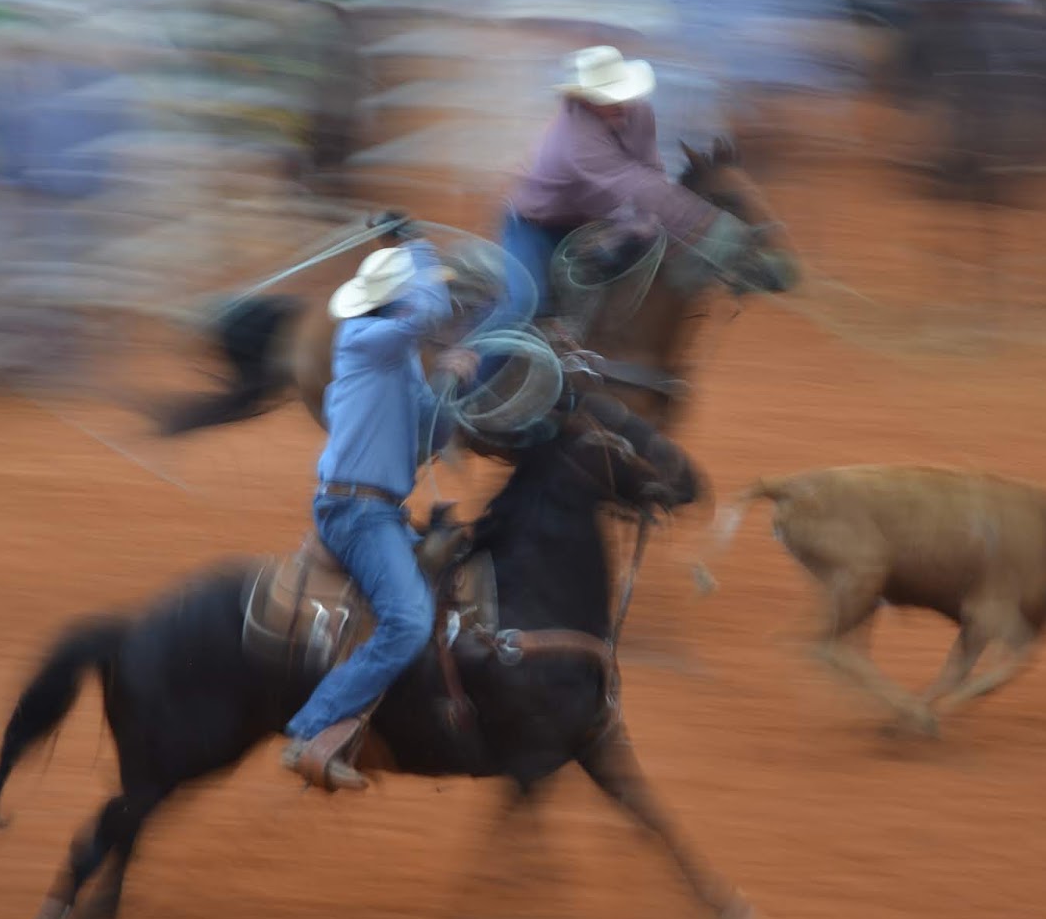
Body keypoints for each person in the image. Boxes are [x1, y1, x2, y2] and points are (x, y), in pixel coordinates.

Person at [282, 217, 477, 791]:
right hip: (355, 514)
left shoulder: (401, 361)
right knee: (410, 620)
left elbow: (429, 439)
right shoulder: (365, 340)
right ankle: (309, 730)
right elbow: (426, 312)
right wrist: (418, 250)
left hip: (379, 513)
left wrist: (450, 385)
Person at [486, 45, 760, 340]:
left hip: (587, 221)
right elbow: (633, 183)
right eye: (608, 97)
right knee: (527, 303)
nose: (619, 103)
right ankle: (466, 368)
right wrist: (705, 222)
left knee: (624, 289)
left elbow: (650, 169)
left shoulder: (639, 111)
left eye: (620, 94)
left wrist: (645, 222)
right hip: (533, 226)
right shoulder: (573, 141)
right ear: (585, 99)